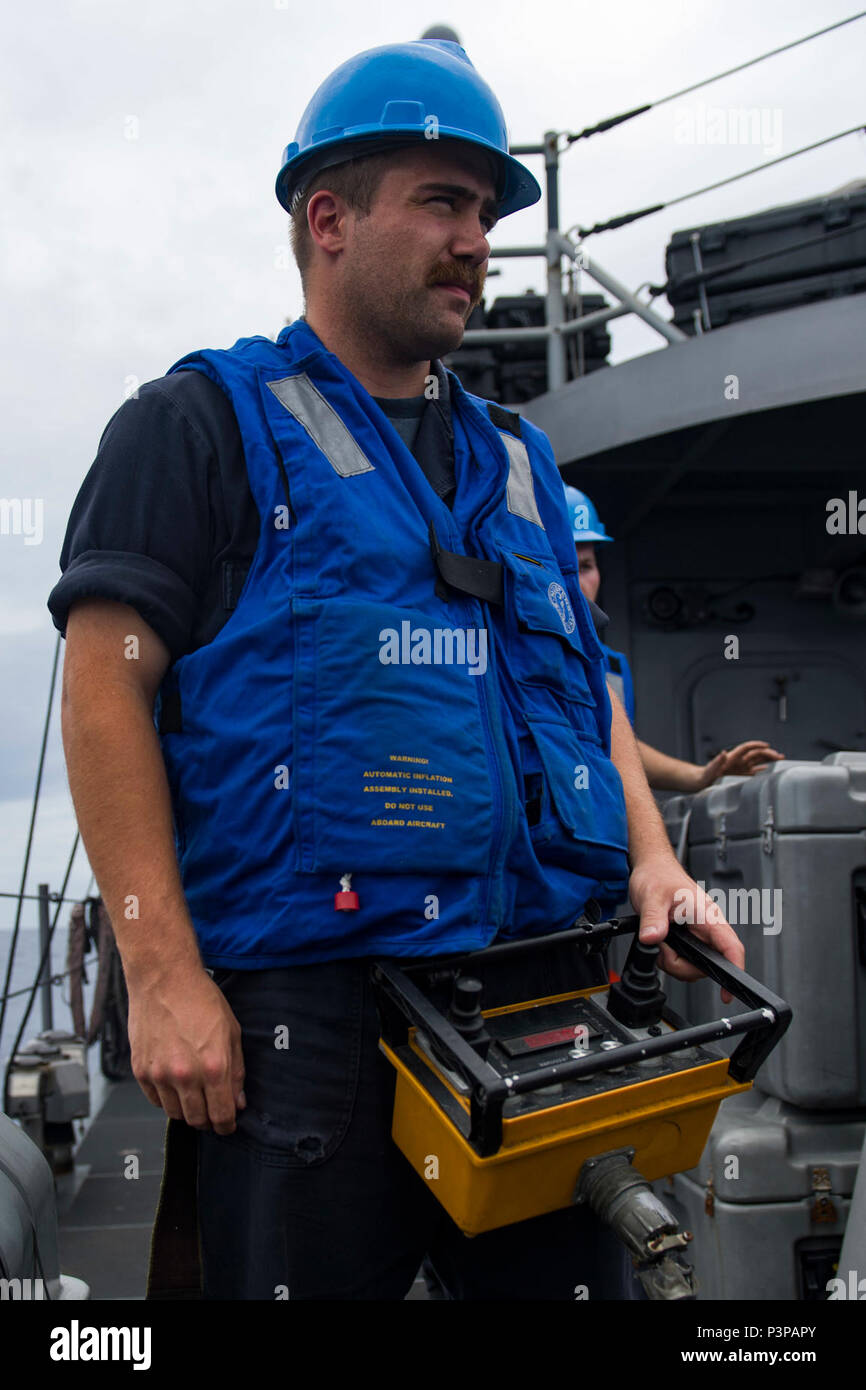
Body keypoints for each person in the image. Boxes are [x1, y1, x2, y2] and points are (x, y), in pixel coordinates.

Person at [49, 38, 744, 1301]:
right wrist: (159, 977)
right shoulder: (197, 427)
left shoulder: (524, 469)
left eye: (483, 210)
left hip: (544, 994)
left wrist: (655, 863)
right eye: (441, 202)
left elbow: (586, 688)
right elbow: (104, 685)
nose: (475, 239)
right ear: (327, 218)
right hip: (303, 1025)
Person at [563, 485, 784, 794]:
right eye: (564, 568)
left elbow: (621, 748)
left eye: (586, 566)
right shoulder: (508, 654)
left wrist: (701, 776)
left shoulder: (611, 666)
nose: (578, 582)